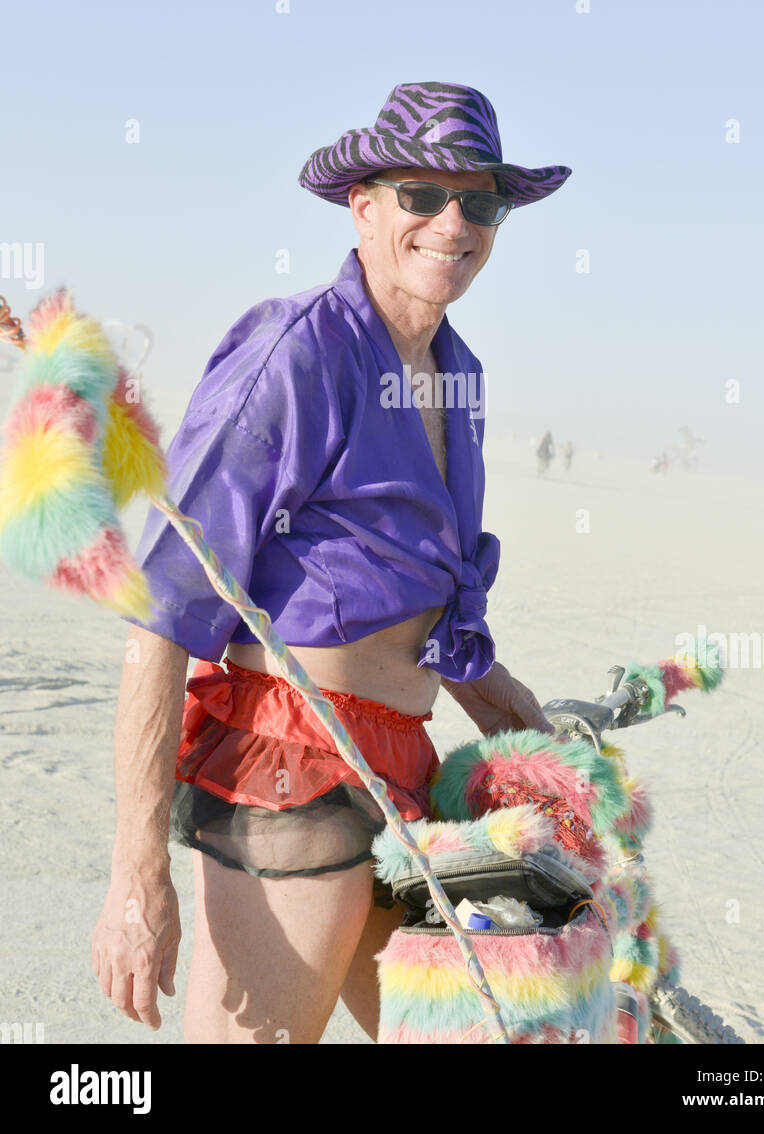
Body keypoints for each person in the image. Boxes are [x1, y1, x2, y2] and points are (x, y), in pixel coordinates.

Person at [91, 81, 571, 1044]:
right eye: (421, 196)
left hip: (404, 765)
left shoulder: (457, 373)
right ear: (362, 205)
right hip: (289, 760)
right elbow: (165, 613)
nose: (452, 223)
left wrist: (500, 701)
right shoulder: (293, 355)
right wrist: (135, 874)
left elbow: (417, 584)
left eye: (479, 202)